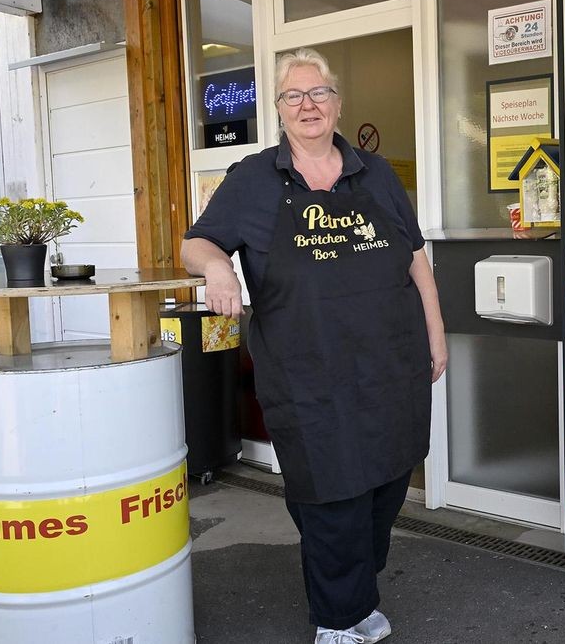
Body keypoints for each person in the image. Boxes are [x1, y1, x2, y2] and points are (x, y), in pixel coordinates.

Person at [182, 48, 446, 644]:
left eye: (319, 93)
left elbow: (415, 258)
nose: (308, 105)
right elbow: (197, 243)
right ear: (278, 110)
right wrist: (219, 270)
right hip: (307, 372)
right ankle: (336, 618)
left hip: (391, 360)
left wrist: (436, 331)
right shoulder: (253, 178)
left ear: (337, 104)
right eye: (293, 96)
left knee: (386, 481)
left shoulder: (375, 172)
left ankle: (356, 594)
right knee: (329, 494)